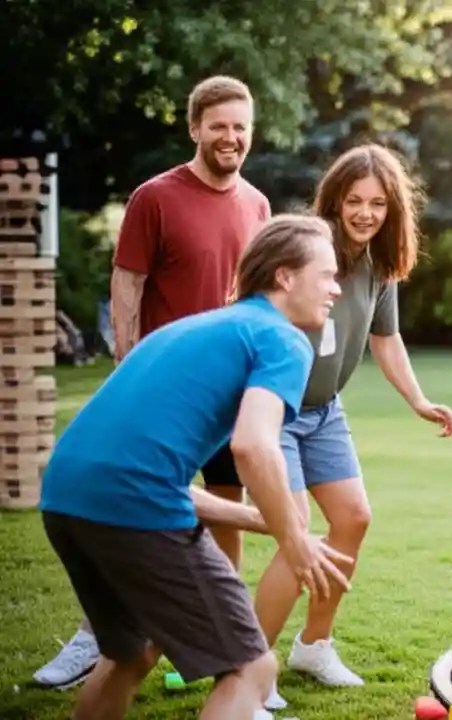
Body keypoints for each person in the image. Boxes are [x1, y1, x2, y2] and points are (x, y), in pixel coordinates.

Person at [37, 215, 351, 720]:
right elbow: (253, 445)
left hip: (65, 495)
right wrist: (294, 541)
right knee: (252, 668)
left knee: (130, 653)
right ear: (284, 277)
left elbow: (136, 468)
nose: (336, 289)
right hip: (135, 506)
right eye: (327, 275)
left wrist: (259, 520)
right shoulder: (283, 339)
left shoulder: (202, 325)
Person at [35, 74, 271, 689]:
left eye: (240, 126)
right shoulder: (155, 197)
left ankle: (228, 647)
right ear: (194, 128)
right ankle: (97, 638)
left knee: (228, 508)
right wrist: (126, 367)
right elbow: (127, 285)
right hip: (162, 395)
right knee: (133, 512)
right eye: (218, 125)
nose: (230, 137)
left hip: (228, 392)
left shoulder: (257, 205)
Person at [250, 144, 452, 710]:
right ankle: (250, 671)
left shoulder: (379, 264)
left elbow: (384, 338)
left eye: (378, 204)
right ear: (334, 201)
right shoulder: (305, 251)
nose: (366, 213)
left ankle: (314, 645)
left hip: (325, 413)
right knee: (295, 537)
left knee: (353, 519)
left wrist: (418, 399)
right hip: (276, 411)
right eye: (355, 201)